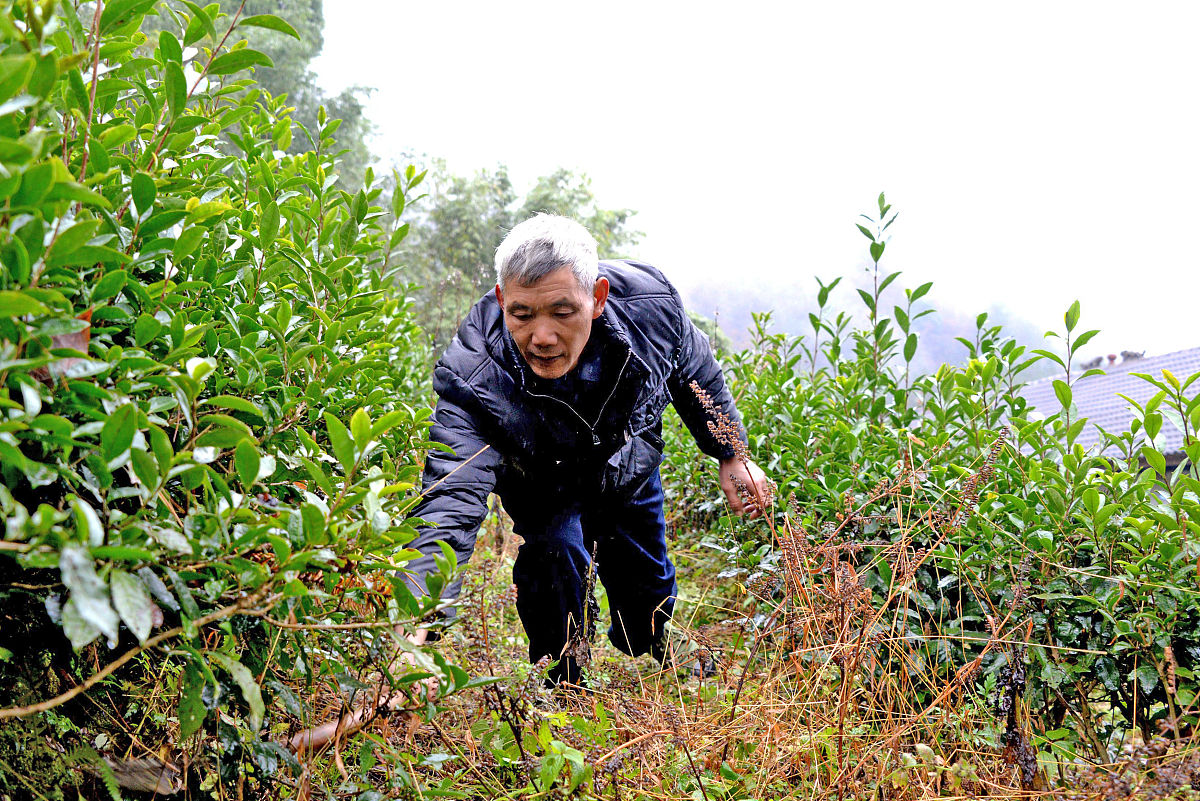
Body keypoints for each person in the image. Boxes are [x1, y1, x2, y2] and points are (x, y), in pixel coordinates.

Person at [404, 213, 768, 685]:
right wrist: (417, 623)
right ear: (502, 299)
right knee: (556, 560)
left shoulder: (650, 308)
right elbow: (449, 499)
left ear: (597, 298)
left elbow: (693, 368)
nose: (542, 337)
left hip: (625, 463)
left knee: (645, 591)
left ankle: (652, 634)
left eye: (562, 312)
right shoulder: (474, 371)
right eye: (522, 315)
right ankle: (562, 681)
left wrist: (731, 452)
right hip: (542, 484)